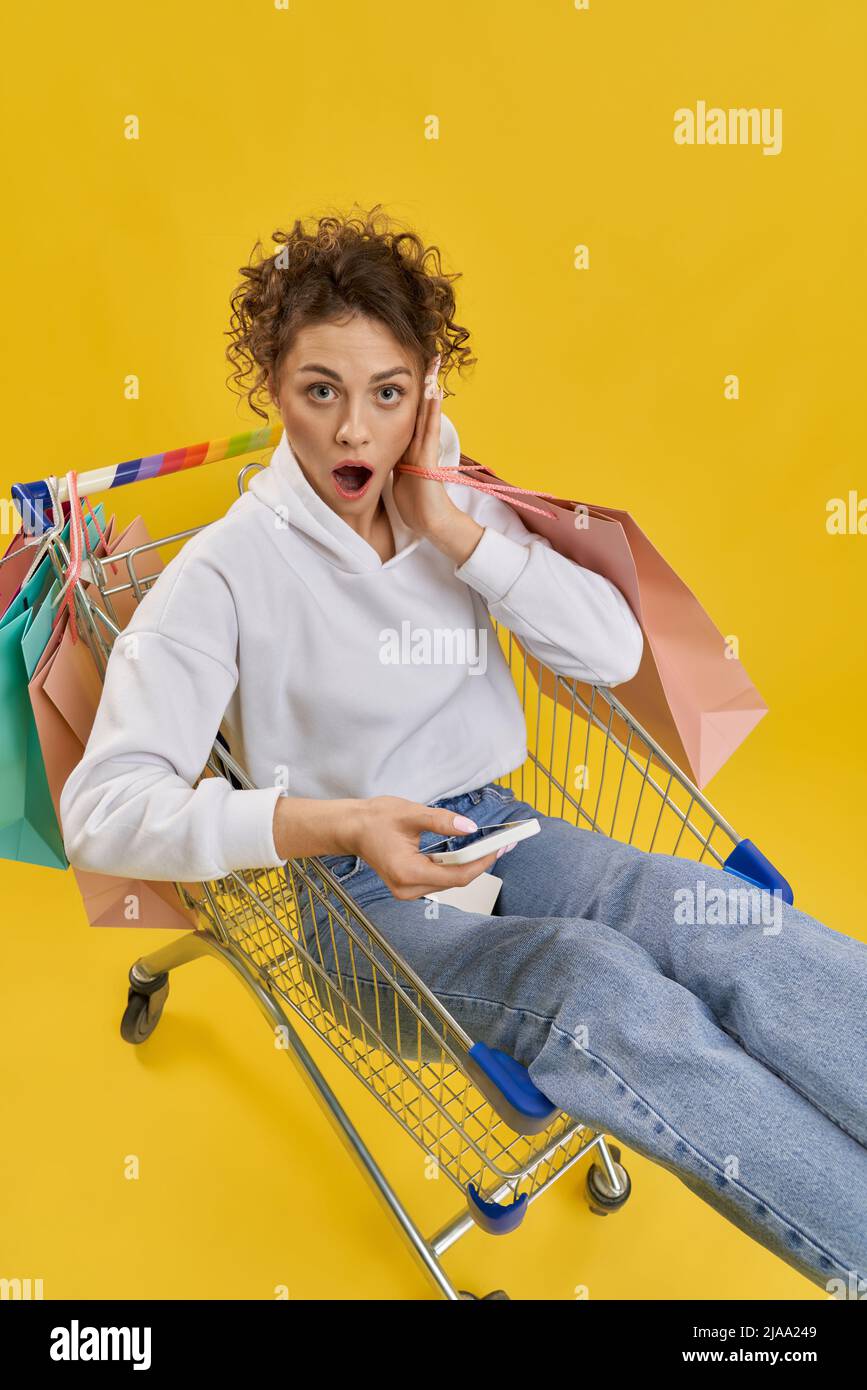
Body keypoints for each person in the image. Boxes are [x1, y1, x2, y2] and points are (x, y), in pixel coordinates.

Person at [59, 204, 867, 1294]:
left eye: (387, 393)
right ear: (272, 387)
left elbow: (611, 648)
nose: (354, 431)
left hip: (499, 829)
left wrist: (456, 533)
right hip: (360, 901)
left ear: (427, 389)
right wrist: (338, 823)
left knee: (706, 914)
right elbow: (102, 808)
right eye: (320, 391)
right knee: (598, 988)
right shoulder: (224, 573)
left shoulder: (455, 508)